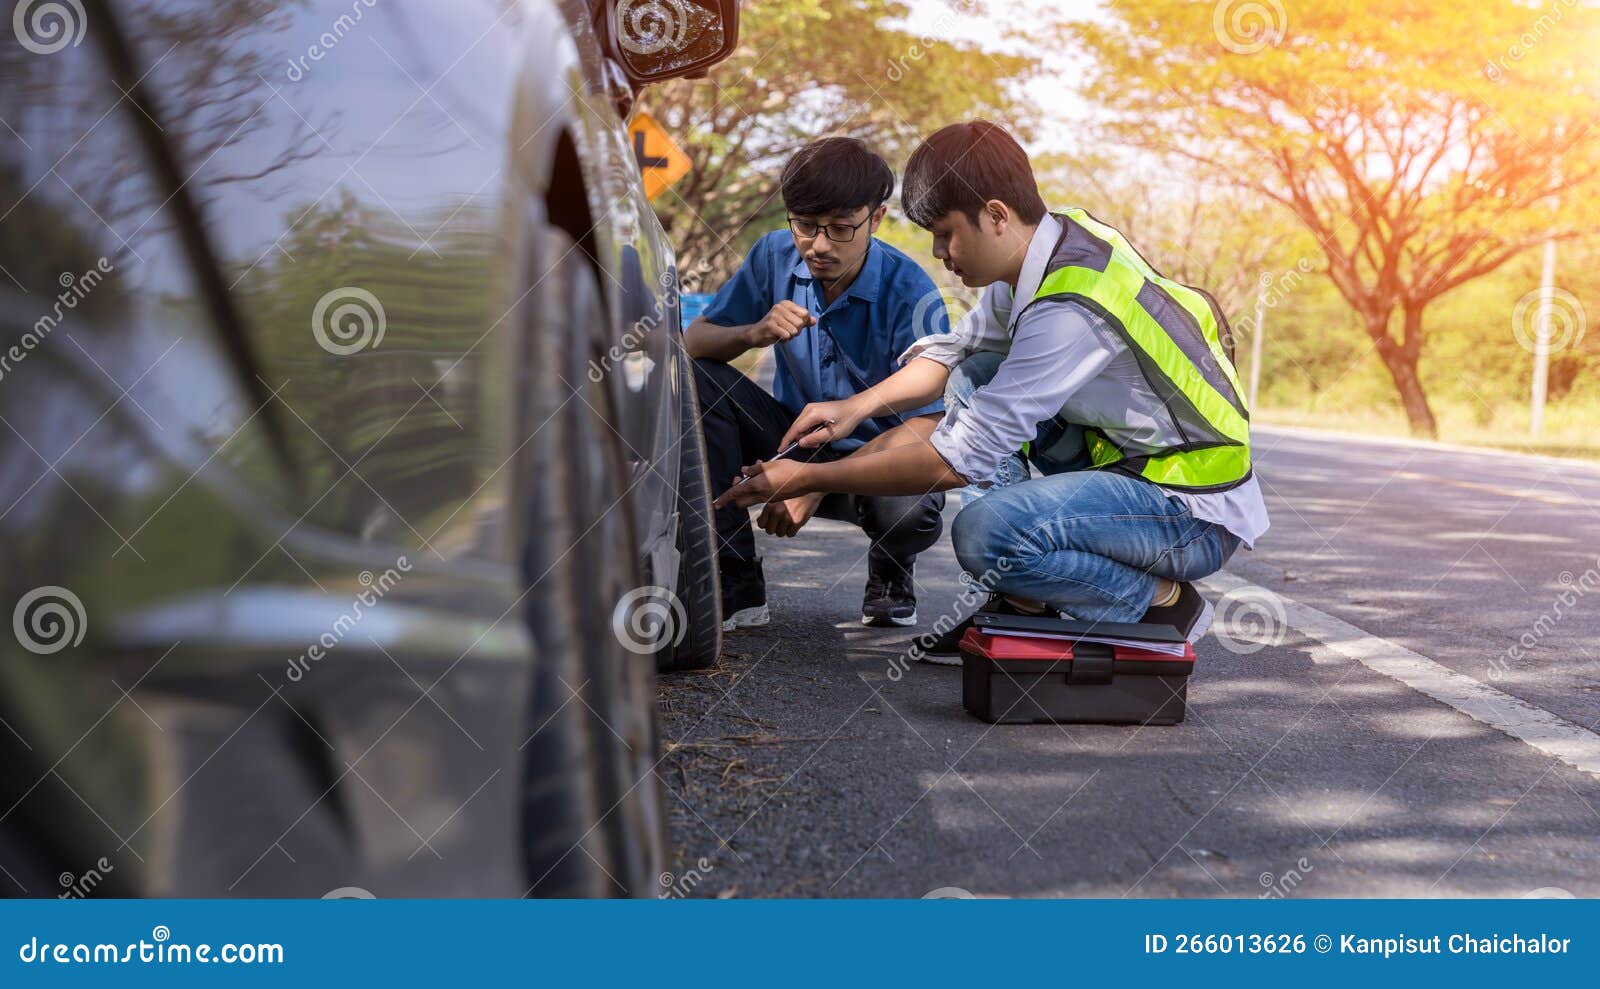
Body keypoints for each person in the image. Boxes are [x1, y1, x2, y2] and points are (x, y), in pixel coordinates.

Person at [714, 121, 1269, 660]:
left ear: (996, 217)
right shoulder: (1052, 243)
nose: (938, 252)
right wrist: (854, 409)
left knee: (985, 534)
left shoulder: (1068, 307)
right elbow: (951, 353)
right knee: (973, 369)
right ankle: (1018, 605)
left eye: (945, 233)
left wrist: (807, 477)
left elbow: (958, 460)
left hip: (1189, 512)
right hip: (1131, 468)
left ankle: (1160, 600)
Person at [686, 137, 950, 631]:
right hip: (793, 440)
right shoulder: (773, 256)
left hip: (879, 459)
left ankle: (891, 568)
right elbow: (694, 341)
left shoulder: (909, 287)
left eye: (840, 228)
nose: (819, 245)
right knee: (699, 381)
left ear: (876, 218)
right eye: (805, 226)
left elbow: (933, 415)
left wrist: (810, 482)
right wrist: (753, 331)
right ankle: (735, 577)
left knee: (909, 511)